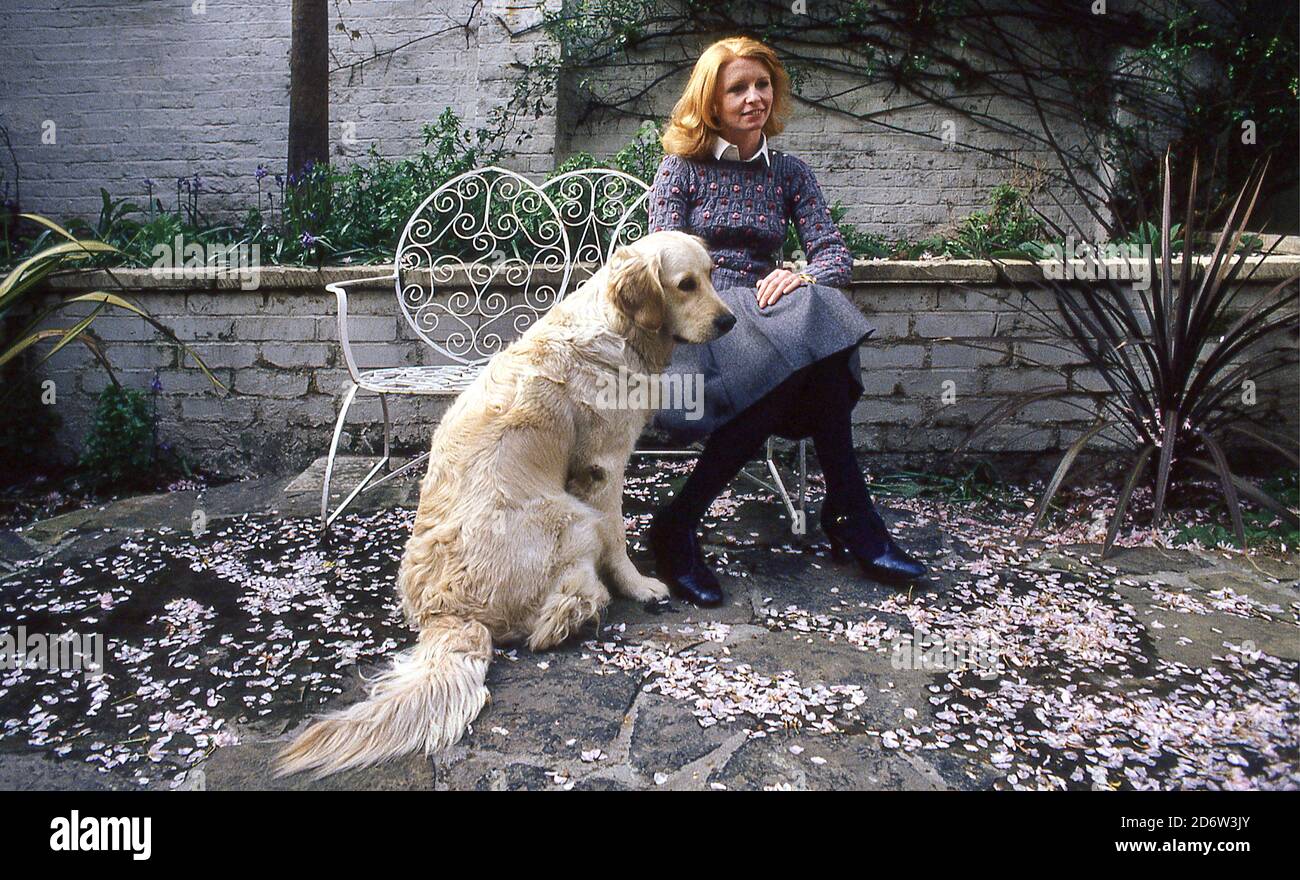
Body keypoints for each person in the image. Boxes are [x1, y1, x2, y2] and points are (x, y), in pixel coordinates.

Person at [644, 35, 927, 607]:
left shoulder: (789, 173)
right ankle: (850, 514)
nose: (754, 98)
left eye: (762, 84)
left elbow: (834, 254)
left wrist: (802, 275)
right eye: (737, 88)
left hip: (768, 320)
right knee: (809, 364)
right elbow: (662, 261)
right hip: (704, 330)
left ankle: (678, 524)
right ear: (711, 102)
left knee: (815, 309)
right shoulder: (682, 171)